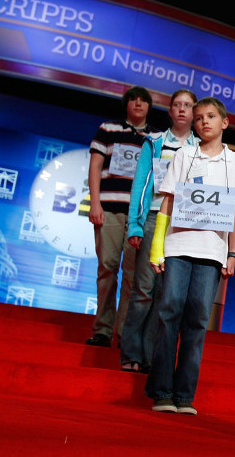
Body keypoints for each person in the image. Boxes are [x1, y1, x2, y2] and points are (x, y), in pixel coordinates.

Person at [144, 97, 235, 416]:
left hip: (212, 251)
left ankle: (184, 395)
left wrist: (232, 253)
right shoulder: (184, 155)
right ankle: (162, 391)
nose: (204, 122)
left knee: (198, 320)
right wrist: (157, 246)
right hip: (177, 246)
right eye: (199, 117)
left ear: (224, 122)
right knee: (169, 313)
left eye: (211, 116)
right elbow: (167, 200)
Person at [120, 89, 198, 373]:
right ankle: (131, 354)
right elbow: (140, 184)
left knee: (167, 295)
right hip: (154, 218)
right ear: (170, 110)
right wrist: (135, 224)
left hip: (181, 224)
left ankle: (153, 357)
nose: (182, 109)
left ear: (194, 112)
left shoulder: (200, 147)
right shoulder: (154, 142)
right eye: (177, 104)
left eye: (187, 105)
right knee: (143, 289)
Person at [86, 86, 159, 347]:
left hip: (139, 216)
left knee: (132, 275)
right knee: (107, 268)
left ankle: (124, 334)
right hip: (108, 210)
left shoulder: (156, 138)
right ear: (126, 104)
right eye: (133, 100)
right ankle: (103, 330)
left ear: (149, 107)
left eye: (143, 101)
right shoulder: (108, 129)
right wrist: (94, 204)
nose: (138, 104)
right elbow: (95, 167)